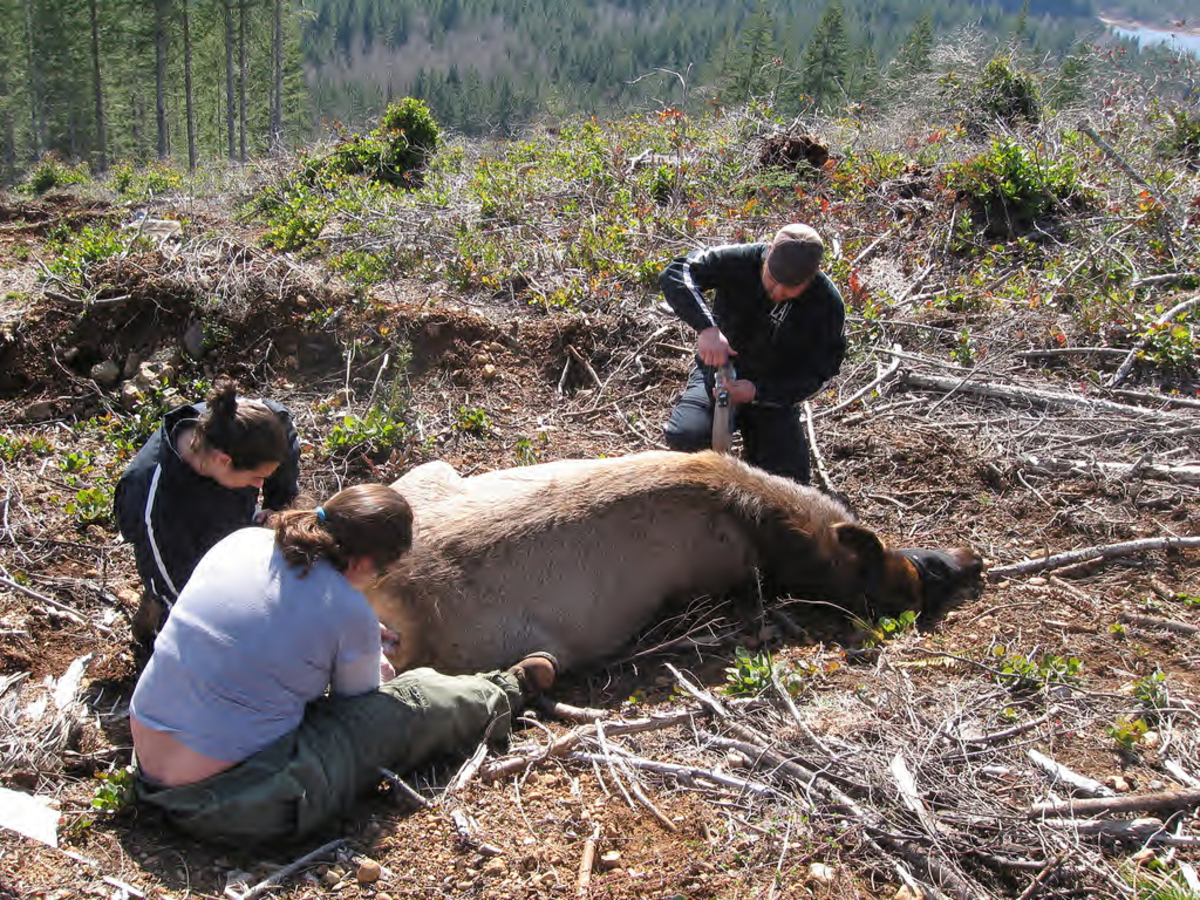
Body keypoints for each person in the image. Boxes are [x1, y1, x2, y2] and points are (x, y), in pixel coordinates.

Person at [129, 483, 558, 845]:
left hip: (147, 760)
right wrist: (377, 663)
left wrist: (349, 631)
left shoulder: (242, 541)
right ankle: (507, 688)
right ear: (366, 563)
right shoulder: (344, 608)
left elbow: (272, 614)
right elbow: (358, 706)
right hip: (230, 801)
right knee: (409, 702)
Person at [114, 378, 301, 640]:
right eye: (257, 478)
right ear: (224, 461)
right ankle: (152, 622)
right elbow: (175, 584)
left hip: (228, 513)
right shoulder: (153, 500)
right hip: (183, 546)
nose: (261, 484)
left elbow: (285, 430)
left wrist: (276, 504)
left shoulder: (253, 423)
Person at [659, 223, 846, 484]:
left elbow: (820, 373)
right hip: (717, 374)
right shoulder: (739, 259)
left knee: (791, 481)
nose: (778, 293)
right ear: (767, 254)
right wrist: (707, 328)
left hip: (772, 394)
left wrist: (758, 392)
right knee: (686, 437)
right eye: (772, 279)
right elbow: (677, 272)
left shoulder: (827, 305)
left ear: (813, 275)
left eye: (791, 288)